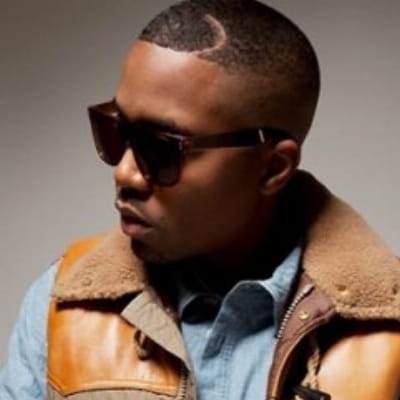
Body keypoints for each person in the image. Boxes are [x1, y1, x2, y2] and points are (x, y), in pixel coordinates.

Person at [1, 0, 400, 399]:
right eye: (116, 131)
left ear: (272, 168)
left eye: (161, 149)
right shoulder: (62, 305)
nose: (124, 173)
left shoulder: (390, 335)